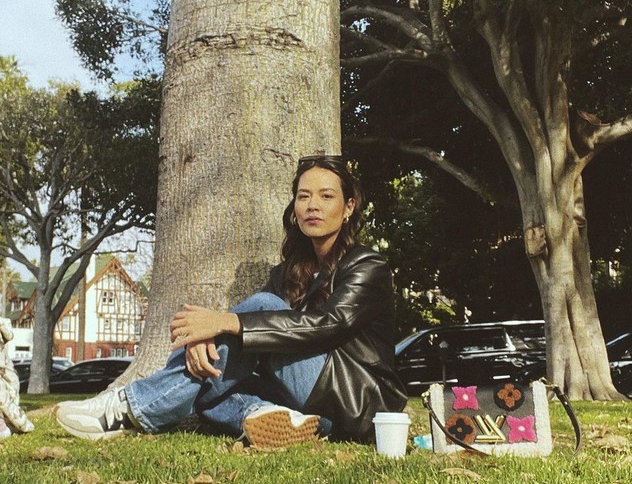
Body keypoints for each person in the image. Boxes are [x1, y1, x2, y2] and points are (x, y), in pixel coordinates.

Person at [55, 155, 407, 444]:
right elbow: (255, 338)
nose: (312, 205)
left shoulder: (367, 266)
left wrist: (224, 322)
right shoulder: (289, 273)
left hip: (359, 403)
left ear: (348, 208)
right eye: (303, 196)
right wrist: (206, 338)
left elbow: (327, 326)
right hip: (317, 408)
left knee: (261, 308)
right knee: (211, 385)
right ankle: (270, 418)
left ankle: (128, 408)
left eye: (326, 196)